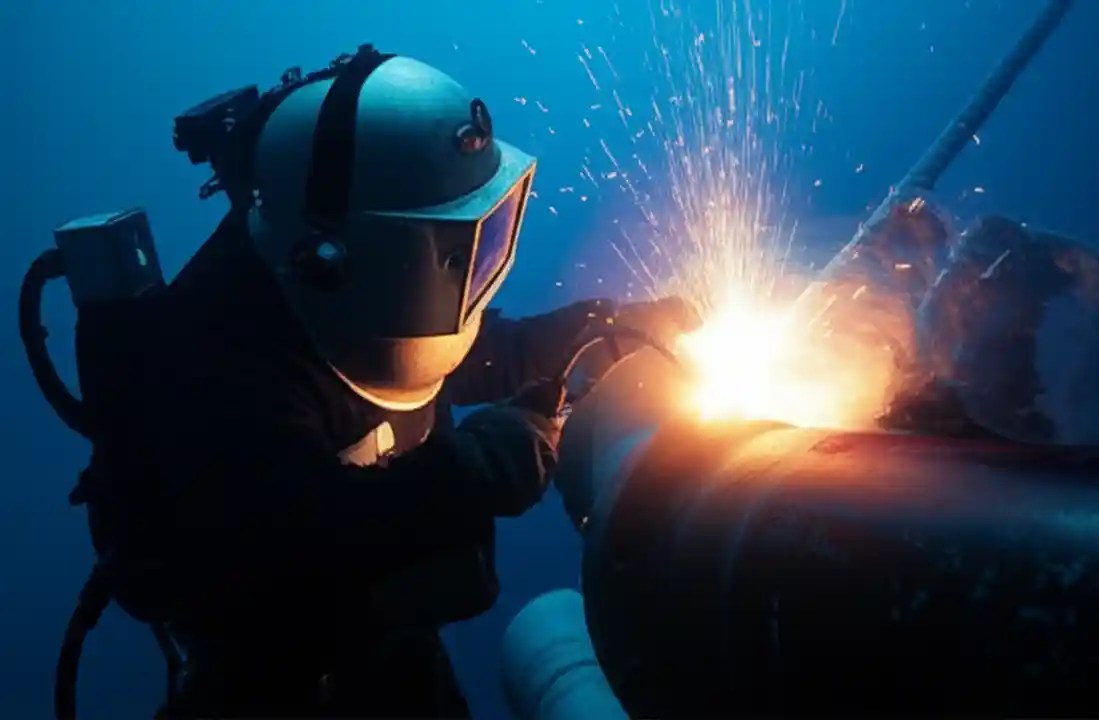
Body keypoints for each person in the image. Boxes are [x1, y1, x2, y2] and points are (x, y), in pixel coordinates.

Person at [81, 46, 693, 718]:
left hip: (387, 646)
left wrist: (603, 329)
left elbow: (470, 350)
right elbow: (296, 539)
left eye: (477, 248)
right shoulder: (214, 371)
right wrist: (473, 467)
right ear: (349, 257)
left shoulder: (374, 303)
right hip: (276, 685)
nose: (465, 280)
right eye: (447, 257)